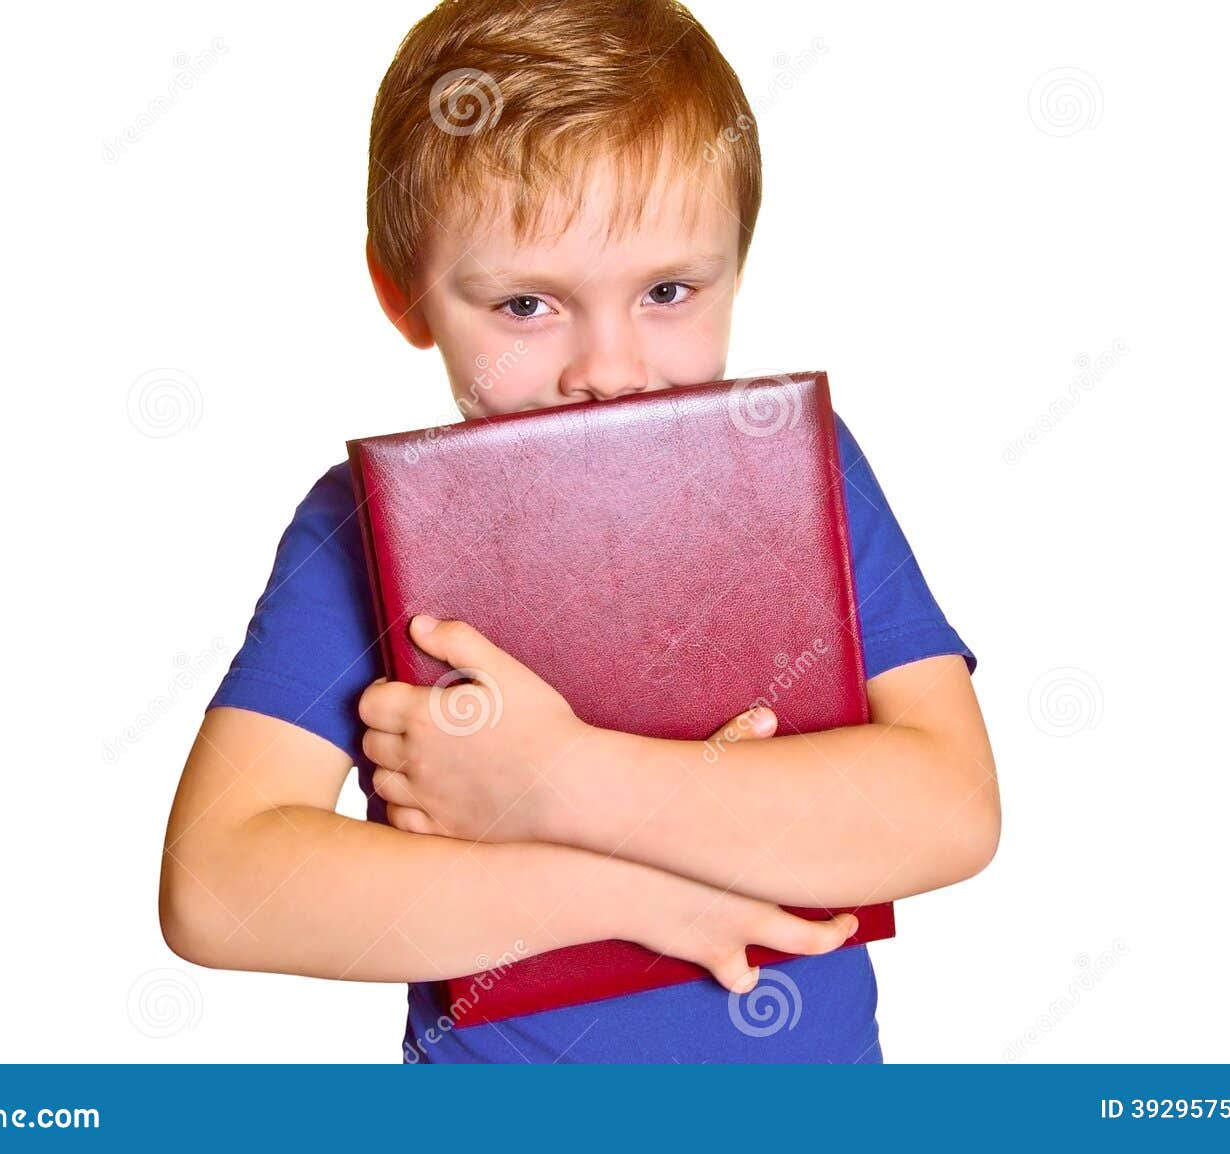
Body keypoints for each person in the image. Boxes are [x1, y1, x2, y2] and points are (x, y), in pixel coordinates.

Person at [159, 0, 999, 1063]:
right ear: (403, 292)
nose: (608, 369)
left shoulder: (801, 467)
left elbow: (952, 808)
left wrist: (562, 779)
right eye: (526, 306)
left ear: (739, 262)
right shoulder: (359, 524)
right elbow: (217, 887)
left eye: (667, 290)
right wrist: (635, 895)